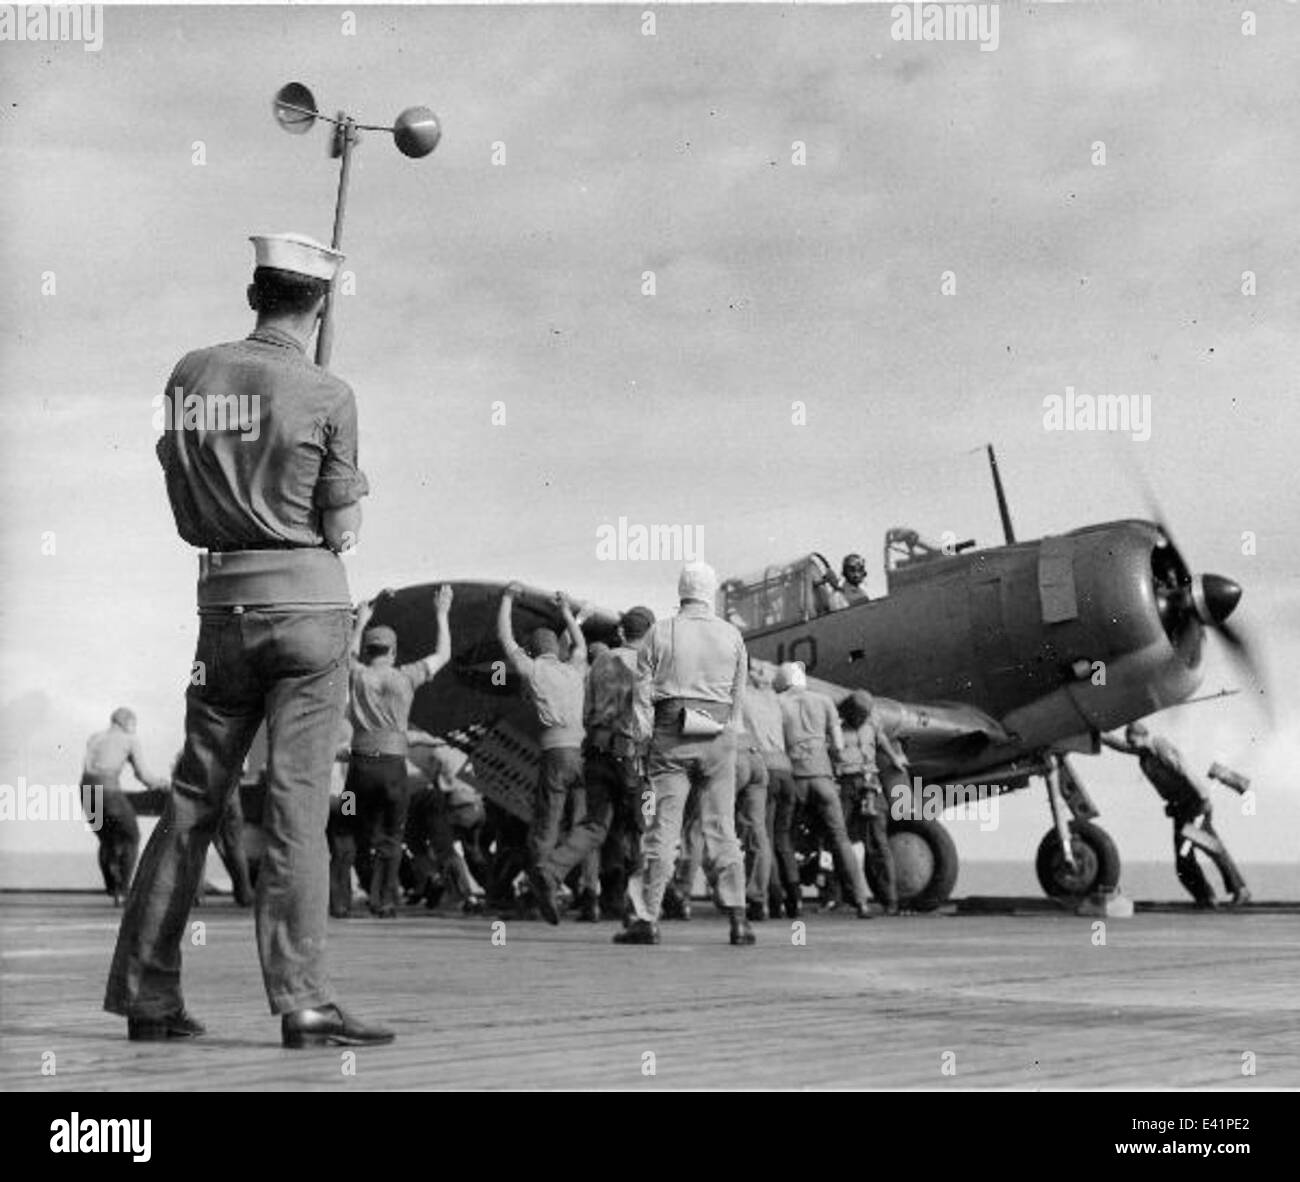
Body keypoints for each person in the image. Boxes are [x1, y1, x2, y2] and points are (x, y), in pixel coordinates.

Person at [105, 232, 392, 1048]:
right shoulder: (329, 392)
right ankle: (303, 1003)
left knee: (193, 800)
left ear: (252, 294)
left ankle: (147, 997)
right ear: (322, 305)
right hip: (307, 611)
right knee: (300, 807)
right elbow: (342, 530)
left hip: (220, 608)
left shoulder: (189, 375)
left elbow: (177, 483)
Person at [620, 561, 753, 946]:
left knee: (664, 828)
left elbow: (641, 699)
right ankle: (739, 920)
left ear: (681, 591)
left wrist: (643, 745)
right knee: (722, 828)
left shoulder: (660, 632)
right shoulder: (733, 636)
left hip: (671, 732)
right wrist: (728, 734)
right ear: (710, 592)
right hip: (720, 735)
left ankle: (648, 918)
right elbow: (738, 700)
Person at [532, 605, 655, 924]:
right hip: (634, 761)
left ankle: (550, 870)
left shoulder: (599, 663)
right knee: (643, 827)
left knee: (594, 825)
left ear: (621, 632)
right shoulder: (649, 665)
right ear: (651, 632)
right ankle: (636, 907)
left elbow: (585, 711)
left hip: (597, 756)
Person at [347, 587, 453, 918]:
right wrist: (441, 614)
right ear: (392, 652)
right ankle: (386, 900)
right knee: (393, 836)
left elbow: (345, 655)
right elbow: (443, 654)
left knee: (358, 830)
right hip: (394, 768)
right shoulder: (406, 677)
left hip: (360, 768)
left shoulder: (358, 674)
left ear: (367, 651)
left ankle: (358, 891)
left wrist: (360, 621)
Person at [497, 584, 589, 924]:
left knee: (547, 821)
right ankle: (582, 886)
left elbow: (505, 639)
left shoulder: (534, 671)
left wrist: (506, 600)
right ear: (556, 650)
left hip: (555, 753)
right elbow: (579, 645)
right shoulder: (574, 669)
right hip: (584, 752)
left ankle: (543, 880)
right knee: (585, 822)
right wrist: (567, 611)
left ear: (534, 652)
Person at [1102, 723, 1250, 908]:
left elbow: (1184, 770)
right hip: (1181, 809)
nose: (1132, 746)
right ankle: (1207, 897)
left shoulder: (1159, 747)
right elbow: (1120, 746)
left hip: (1194, 805)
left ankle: (1237, 891)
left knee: (1208, 848)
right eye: (1130, 743)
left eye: (1133, 742)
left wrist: (1203, 799)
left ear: (1143, 736)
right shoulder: (1143, 753)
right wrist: (1099, 735)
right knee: (1186, 859)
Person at [776, 663, 873, 919]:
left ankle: (792, 898)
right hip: (823, 779)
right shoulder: (824, 701)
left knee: (782, 836)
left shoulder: (778, 703)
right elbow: (838, 745)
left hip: (795, 778)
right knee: (840, 838)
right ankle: (861, 902)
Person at [81, 709, 171, 906]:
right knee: (131, 837)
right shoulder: (129, 739)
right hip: (109, 790)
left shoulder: (95, 737)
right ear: (128, 722)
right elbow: (143, 775)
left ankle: (112, 887)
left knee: (107, 839)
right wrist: (162, 784)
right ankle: (122, 892)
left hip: (86, 792)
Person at [741, 659, 800, 919]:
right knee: (781, 838)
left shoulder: (741, 697)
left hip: (763, 767)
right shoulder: (775, 700)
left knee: (760, 836)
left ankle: (765, 899)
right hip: (787, 770)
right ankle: (793, 899)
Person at [835, 691, 903, 915]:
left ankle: (887, 900)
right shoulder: (843, 724)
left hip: (866, 784)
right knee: (846, 840)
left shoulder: (867, 722)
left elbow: (882, 740)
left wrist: (895, 759)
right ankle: (853, 897)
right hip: (851, 783)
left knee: (870, 843)